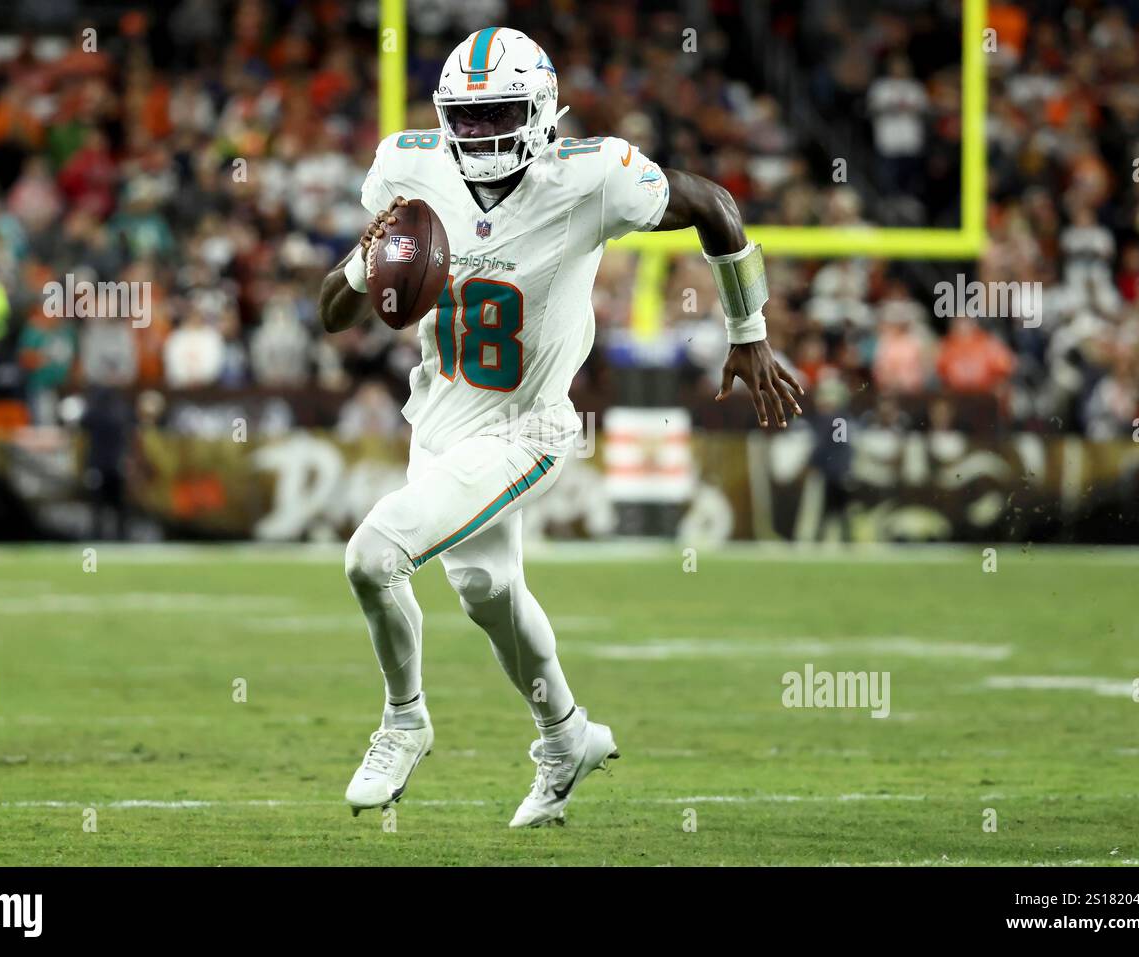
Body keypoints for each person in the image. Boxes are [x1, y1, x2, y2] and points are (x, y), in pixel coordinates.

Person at [316, 27, 802, 827]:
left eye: (497, 114)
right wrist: (365, 262)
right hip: (436, 421)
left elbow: (715, 204)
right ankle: (566, 734)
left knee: (374, 555)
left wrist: (748, 333)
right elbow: (330, 314)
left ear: (540, 111)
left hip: (526, 428)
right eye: (463, 119)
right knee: (485, 588)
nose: (477, 135)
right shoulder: (410, 168)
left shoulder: (591, 178)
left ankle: (404, 719)